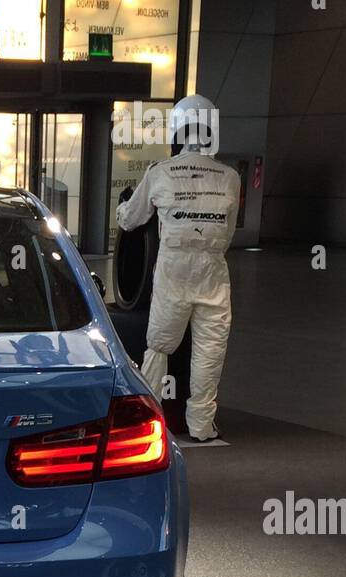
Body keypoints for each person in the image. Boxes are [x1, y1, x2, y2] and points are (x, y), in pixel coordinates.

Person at [116, 94, 240, 442]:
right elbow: (228, 233)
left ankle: (147, 420)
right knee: (209, 351)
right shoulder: (230, 177)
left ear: (176, 130)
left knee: (158, 346)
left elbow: (131, 218)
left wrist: (120, 211)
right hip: (214, 270)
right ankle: (201, 426)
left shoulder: (161, 173)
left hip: (173, 269)